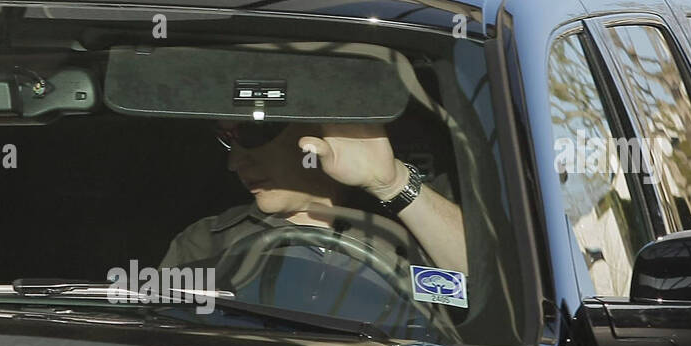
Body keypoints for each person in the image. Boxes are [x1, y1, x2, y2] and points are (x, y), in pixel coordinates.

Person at [161, 120, 467, 278]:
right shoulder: (206, 242)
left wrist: (392, 185)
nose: (235, 162)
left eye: (250, 134)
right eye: (226, 141)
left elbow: (498, 296)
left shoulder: (415, 221)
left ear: (320, 131)